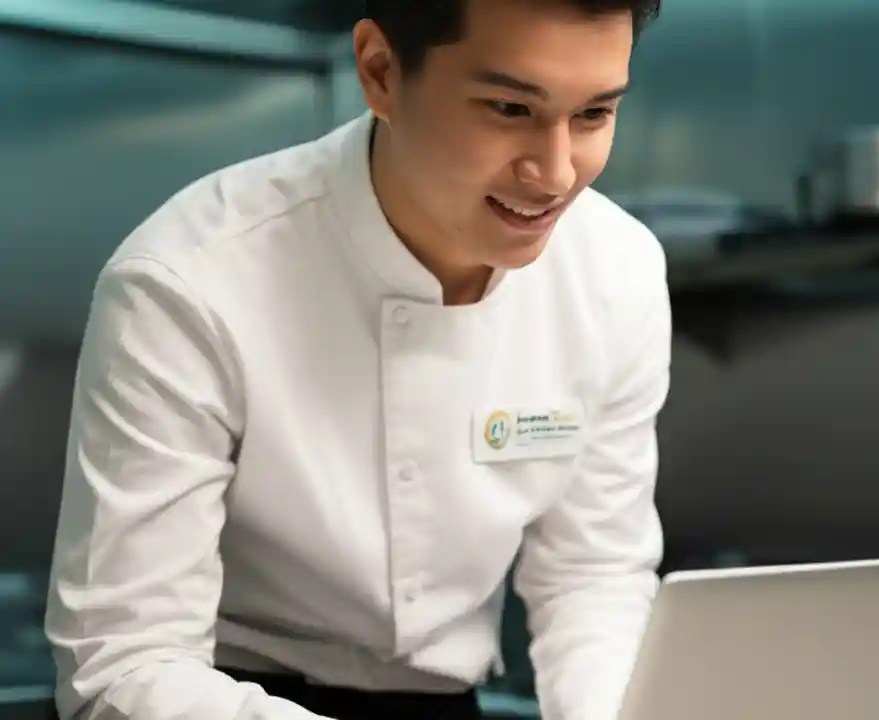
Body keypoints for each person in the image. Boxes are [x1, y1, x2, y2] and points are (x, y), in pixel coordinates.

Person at [43, 1, 668, 718]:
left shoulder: (617, 271)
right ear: (379, 72)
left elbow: (591, 573)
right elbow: (125, 665)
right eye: (507, 108)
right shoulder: (187, 283)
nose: (555, 173)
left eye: (593, 115)